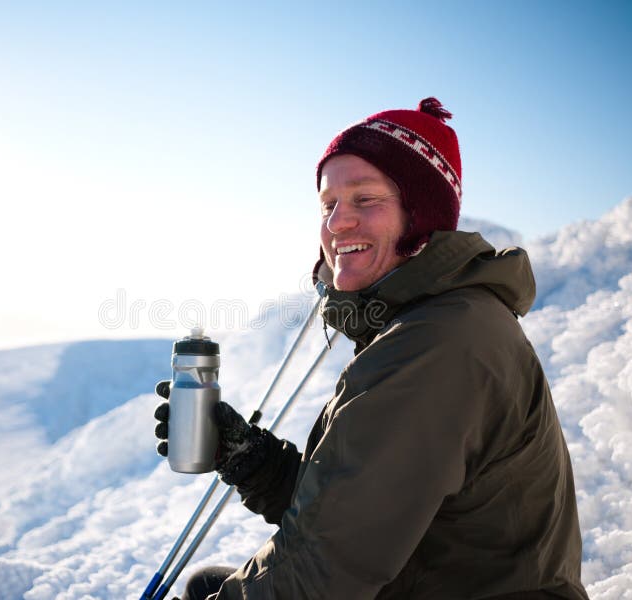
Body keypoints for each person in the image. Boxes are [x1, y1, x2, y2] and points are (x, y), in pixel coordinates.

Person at [154, 98, 589, 599]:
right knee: (209, 584)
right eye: (329, 204)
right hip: (436, 579)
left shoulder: (437, 345)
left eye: (366, 200)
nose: (337, 223)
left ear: (420, 215)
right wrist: (254, 462)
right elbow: (362, 505)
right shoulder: (432, 317)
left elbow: (327, 569)